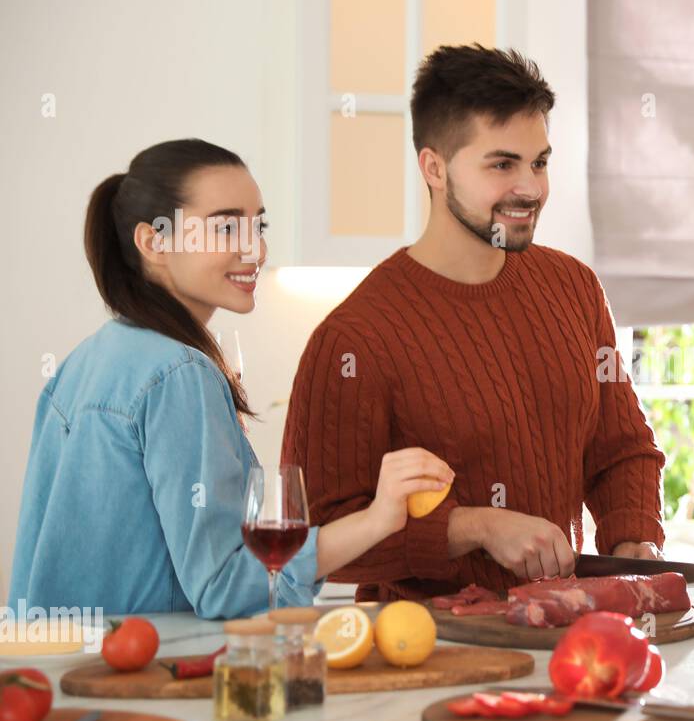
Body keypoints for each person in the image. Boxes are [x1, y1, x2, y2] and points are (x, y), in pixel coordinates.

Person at [282, 45, 665, 602]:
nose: (531, 188)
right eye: (502, 164)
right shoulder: (354, 339)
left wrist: (633, 538)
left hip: (563, 634)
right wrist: (473, 527)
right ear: (434, 167)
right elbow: (314, 539)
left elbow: (621, 448)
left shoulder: (574, 288)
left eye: (539, 162)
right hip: (428, 658)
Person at [9, 139, 452, 619]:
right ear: (154, 241)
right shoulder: (179, 375)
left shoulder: (84, 361)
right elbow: (225, 586)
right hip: (153, 678)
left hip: (61, 677)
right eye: (225, 227)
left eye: (257, 225)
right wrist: (377, 520)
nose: (255, 249)